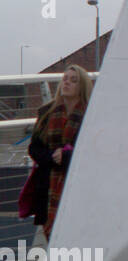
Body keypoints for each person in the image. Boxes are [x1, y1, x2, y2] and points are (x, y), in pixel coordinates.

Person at [27, 65, 94, 242]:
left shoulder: (92, 115)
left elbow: (93, 152)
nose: (67, 83)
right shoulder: (46, 113)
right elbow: (34, 148)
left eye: (73, 80)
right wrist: (51, 157)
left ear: (83, 87)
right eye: (65, 78)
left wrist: (67, 158)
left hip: (78, 188)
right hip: (48, 187)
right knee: (54, 243)